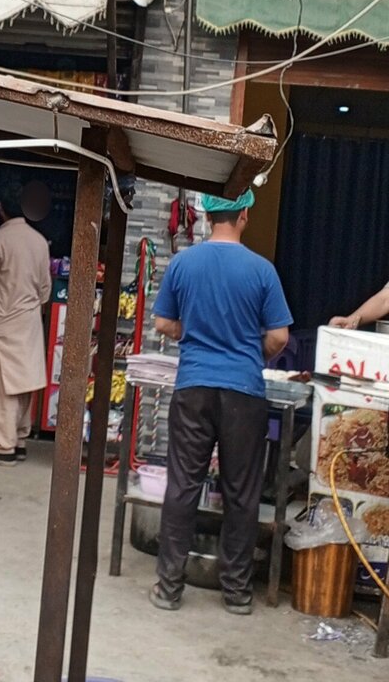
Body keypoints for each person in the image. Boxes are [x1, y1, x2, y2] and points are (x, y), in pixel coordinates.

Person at [149, 189, 291, 614]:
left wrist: (192, 336)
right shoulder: (262, 270)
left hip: (193, 387)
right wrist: (251, 353)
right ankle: (237, 594)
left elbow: (162, 322)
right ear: (244, 215)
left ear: (207, 216)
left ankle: (169, 588)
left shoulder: (183, 263)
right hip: (244, 392)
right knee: (241, 492)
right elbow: (280, 336)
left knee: (183, 485)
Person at [0, 186, 51, 466]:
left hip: (2, 321)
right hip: (29, 323)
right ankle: (19, 439)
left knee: (0, 387)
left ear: (1, 209)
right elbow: (45, 290)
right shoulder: (40, 242)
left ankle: (3, 447)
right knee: (23, 385)